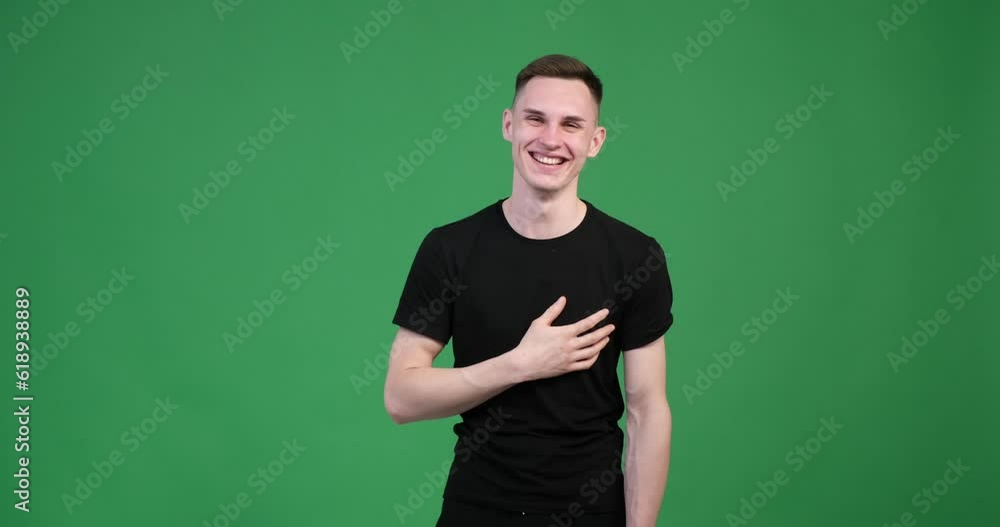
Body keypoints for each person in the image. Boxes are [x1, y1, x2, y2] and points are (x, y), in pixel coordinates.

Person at [385, 54, 674, 527]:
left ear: (595, 140)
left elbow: (647, 409)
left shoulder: (634, 256)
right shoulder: (450, 248)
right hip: (476, 510)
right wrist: (519, 365)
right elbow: (400, 398)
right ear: (508, 125)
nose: (551, 139)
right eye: (535, 118)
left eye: (571, 124)